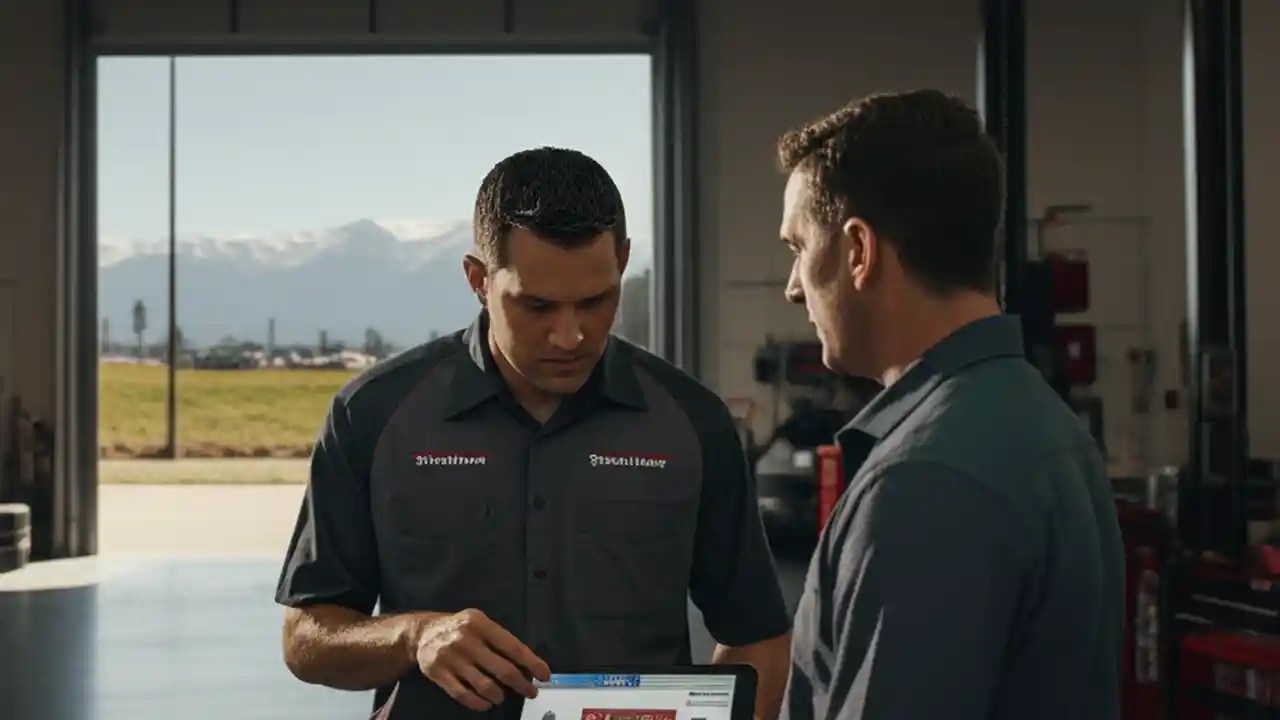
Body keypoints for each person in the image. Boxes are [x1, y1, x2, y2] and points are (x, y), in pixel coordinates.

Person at [275, 147, 793, 719]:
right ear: (478, 279)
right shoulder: (373, 414)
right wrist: (413, 636)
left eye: (595, 302)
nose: (569, 336)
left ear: (622, 263)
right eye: (537, 306)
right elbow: (306, 636)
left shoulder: (693, 424)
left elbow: (758, 635)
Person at [772, 90, 1125, 719]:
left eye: (799, 247)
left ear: (858, 251)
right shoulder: (1040, 423)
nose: (794, 287)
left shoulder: (924, 478)